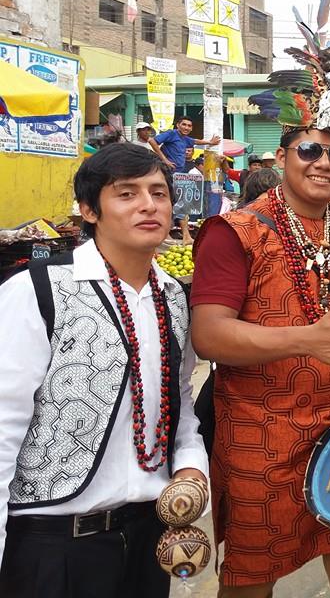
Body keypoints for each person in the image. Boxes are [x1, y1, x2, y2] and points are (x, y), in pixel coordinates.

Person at [190, 28, 330, 597]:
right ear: (281, 157)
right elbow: (209, 335)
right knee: (250, 582)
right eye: (309, 150)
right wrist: (306, 339)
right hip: (259, 438)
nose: (324, 162)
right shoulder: (235, 232)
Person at [0, 143, 209, 598]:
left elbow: (179, 402)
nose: (149, 205)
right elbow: (3, 424)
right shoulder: (38, 290)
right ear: (89, 210)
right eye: (127, 193)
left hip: (147, 537)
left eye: (158, 192)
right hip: (53, 544)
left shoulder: (172, 297)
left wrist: (191, 467)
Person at [149, 117, 221, 173]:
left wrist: (210, 142)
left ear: (191, 128)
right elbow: (152, 141)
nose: (186, 128)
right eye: (184, 124)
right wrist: (165, 160)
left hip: (178, 174)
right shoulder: (172, 133)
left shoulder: (185, 139)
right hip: (166, 171)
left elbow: (195, 141)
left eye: (189, 126)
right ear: (178, 125)